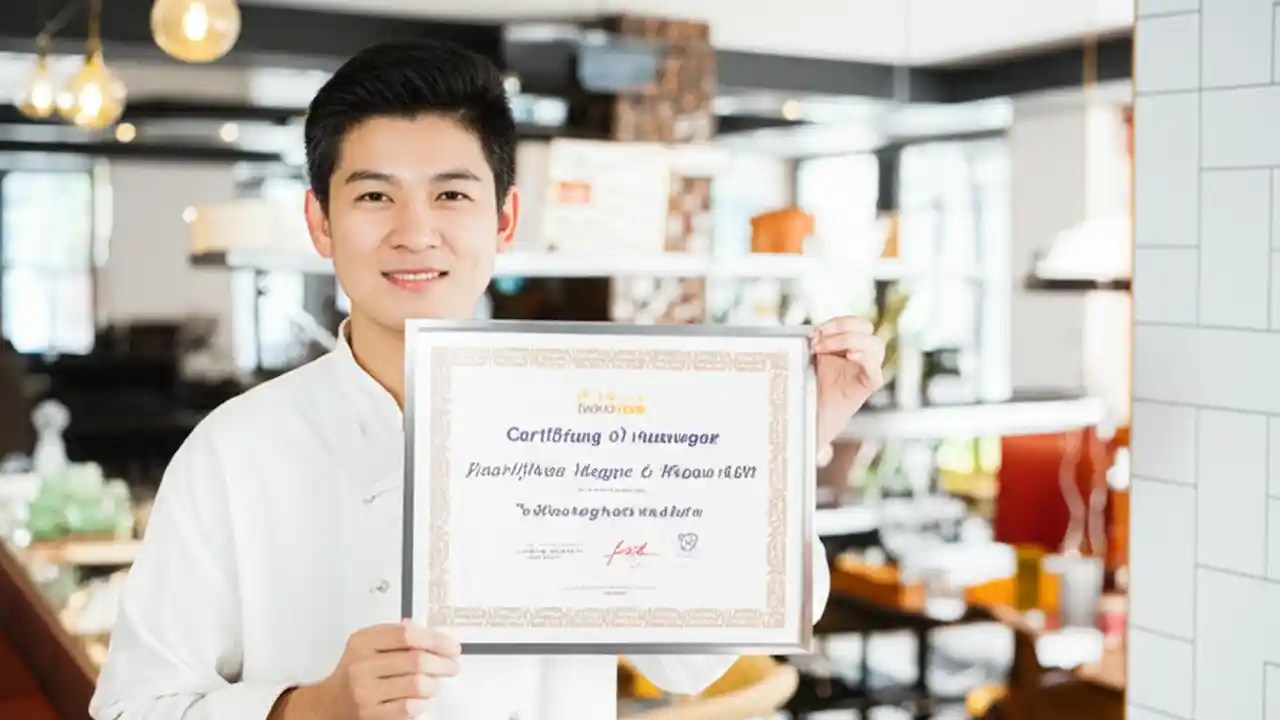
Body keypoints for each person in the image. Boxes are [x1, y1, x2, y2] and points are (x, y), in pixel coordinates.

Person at [89, 40, 886, 720]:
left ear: (504, 219)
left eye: (451, 194)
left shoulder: (594, 421)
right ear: (320, 223)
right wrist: (311, 705)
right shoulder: (234, 449)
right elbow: (131, 706)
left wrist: (792, 445)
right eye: (374, 196)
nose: (414, 233)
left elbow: (690, 660)